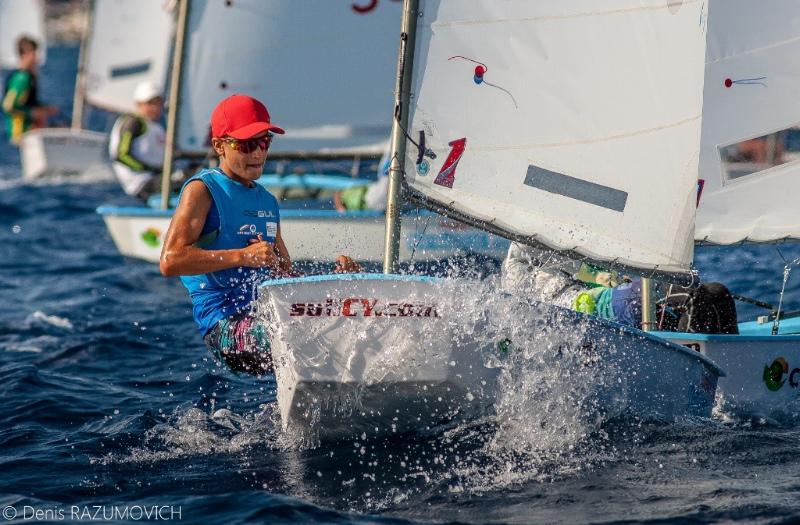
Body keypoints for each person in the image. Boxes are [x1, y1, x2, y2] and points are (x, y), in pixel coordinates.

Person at [160, 94, 360, 375]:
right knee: (312, 329)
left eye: (264, 141)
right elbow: (170, 260)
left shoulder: (267, 201)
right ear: (219, 145)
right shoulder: (202, 190)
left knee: (348, 313)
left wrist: (337, 281)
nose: (258, 153)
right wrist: (242, 255)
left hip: (268, 315)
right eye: (246, 144)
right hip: (225, 328)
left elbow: (285, 277)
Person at [502, 241, 738, 334]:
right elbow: (538, 249)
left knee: (717, 293)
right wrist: (595, 274)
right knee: (693, 296)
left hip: (611, 302)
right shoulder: (519, 254)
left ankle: (731, 377)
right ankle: (698, 377)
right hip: (586, 309)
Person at [108, 81, 167, 200]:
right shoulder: (133, 122)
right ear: (138, 104)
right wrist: (151, 169)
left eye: (158, 103)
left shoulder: (156, 126)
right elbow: (121, 155)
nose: (155, 107)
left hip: (156, 179)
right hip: (142, 184)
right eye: (150, 103)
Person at [2, 36, 58, 144]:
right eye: (32, 53)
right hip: (22, 133)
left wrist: (45, 109)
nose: (35, 57)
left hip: (31, 130)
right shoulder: (21, 78)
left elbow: (29, 102)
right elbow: (8, 106)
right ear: (23, 55)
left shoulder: (29, 76)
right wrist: (32, 113)